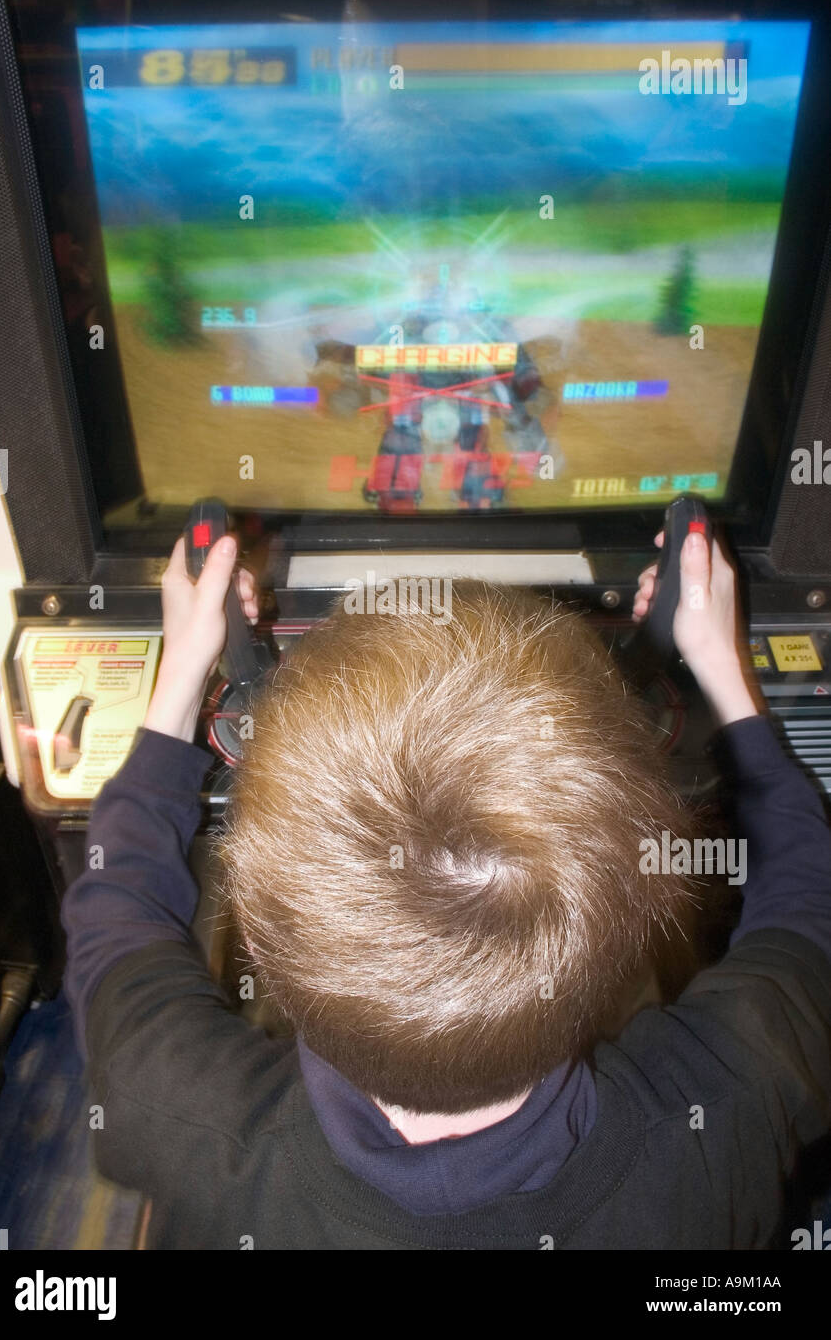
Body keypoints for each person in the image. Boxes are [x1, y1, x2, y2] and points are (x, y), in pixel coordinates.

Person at [61, 529, 831, 1248]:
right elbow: (806, 908)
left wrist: (183, 674)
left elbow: (116, 911)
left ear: (254, 939)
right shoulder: (728, 1115)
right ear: (626, 932)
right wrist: (723, 666)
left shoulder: (172, 1116)